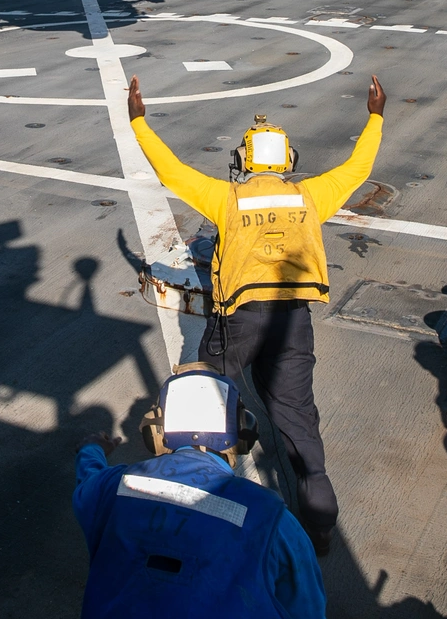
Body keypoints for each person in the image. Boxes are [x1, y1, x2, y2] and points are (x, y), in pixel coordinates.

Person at [126, 74, 386, 554]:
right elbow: (358, 167)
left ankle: (193, 504)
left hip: (239, 320)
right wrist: (375, 116)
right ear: (287, 160)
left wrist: (139, 122)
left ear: (244, 160)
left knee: (202, 404)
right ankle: (321, 526)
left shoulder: (228, 199)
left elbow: (170, 171)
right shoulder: (310, 196)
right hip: (293, 322)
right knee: (297, 420)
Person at [70, 364, 355, 619]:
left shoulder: (111, 490)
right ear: (242, 434)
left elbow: (86, 482)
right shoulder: (275, 523)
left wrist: (90, 448)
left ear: (158, 431)